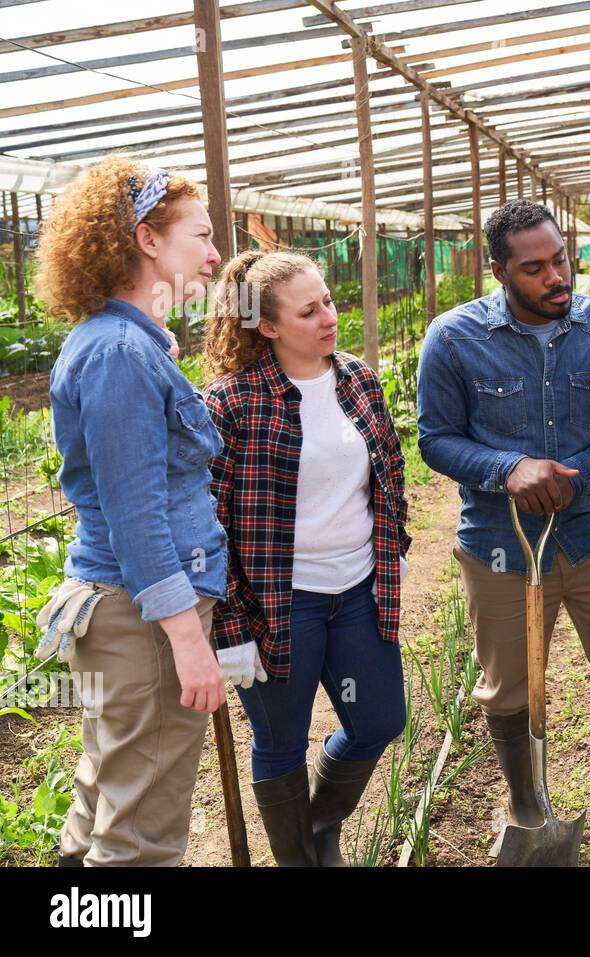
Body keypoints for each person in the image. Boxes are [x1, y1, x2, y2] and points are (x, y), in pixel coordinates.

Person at [417, 200, 590, 859]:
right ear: (499, 271)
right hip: (501, 546)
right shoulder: (453, 339)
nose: (555, 276)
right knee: (507, 683)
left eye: (561, 259)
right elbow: (435, 439)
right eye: (534, 268)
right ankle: (526, 800)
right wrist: (509, 467)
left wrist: (582, 474)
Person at [35, 157, 227, 866]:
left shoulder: (122, 341)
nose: (214, 255)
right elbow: (137, 513)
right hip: (143, 619)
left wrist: (156, 341)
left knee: (104, 795)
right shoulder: (119, 352)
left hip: (117, 609)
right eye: (200, 235)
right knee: (138, 837)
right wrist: (186, 640)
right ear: (148, 239)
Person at [204, 250, 411, 866]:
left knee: (378, 721)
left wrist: (389, 554)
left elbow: (391, 476)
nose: (329, 317)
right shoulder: (231, 405)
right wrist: (232, 627)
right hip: (278, 604)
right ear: (268, 327)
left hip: (356, 591)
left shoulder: (357, 379)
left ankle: (318, 824)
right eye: (309, 310)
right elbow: (208, 525)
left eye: (328, 300)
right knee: (280, 741)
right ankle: (300, 858)